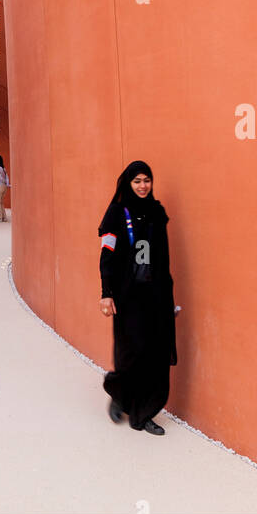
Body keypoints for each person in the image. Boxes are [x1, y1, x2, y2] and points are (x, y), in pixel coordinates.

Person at [98, 160, 176, 433]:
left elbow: (163, 258)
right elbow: (107, 255)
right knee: (132, 352)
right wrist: (107, 293)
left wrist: (168, 297)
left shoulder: (157, 212)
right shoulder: (117, 213)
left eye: (147, 180)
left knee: (154, 354)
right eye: (137, 181)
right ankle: (120, 393)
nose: (143, 186)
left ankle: (144, 413)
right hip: (127, 296)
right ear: (127, 184)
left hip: (155, 295)